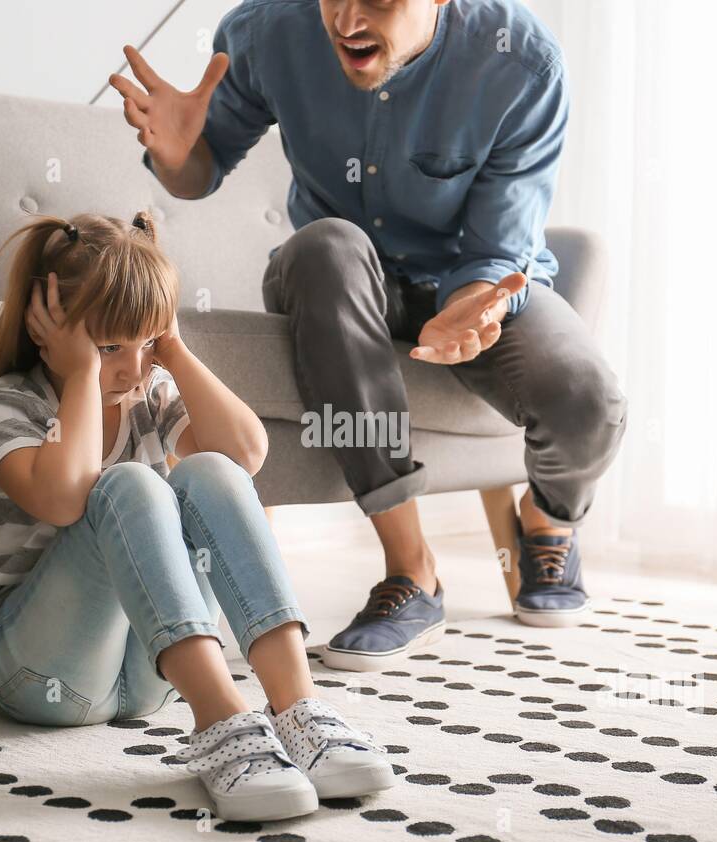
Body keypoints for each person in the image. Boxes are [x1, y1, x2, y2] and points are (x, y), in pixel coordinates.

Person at [110, 0, 628, 672]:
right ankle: (413, 573)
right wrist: (179, 159)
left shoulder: (520, 62)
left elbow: (499, 249)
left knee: (590, 400)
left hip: (476, 282)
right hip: (336, 280)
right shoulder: (271, 29)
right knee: (326, 247)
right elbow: (198, 168)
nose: (347, 19)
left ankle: (548, 523)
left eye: (378, 0)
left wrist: (471, 305)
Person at [0, 211, 393, 821]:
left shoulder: (150, 389)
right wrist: (81, 377)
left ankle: (299, 710)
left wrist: (171, 349)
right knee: (131, 484)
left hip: (148, 674)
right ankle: (223, 722)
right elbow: (65, 498)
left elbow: (248, 454)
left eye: (146, 342)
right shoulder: (4, 406)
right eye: (108, 348)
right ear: (49, 330)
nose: (130, 367)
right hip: (36, 672)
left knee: (212, 469)